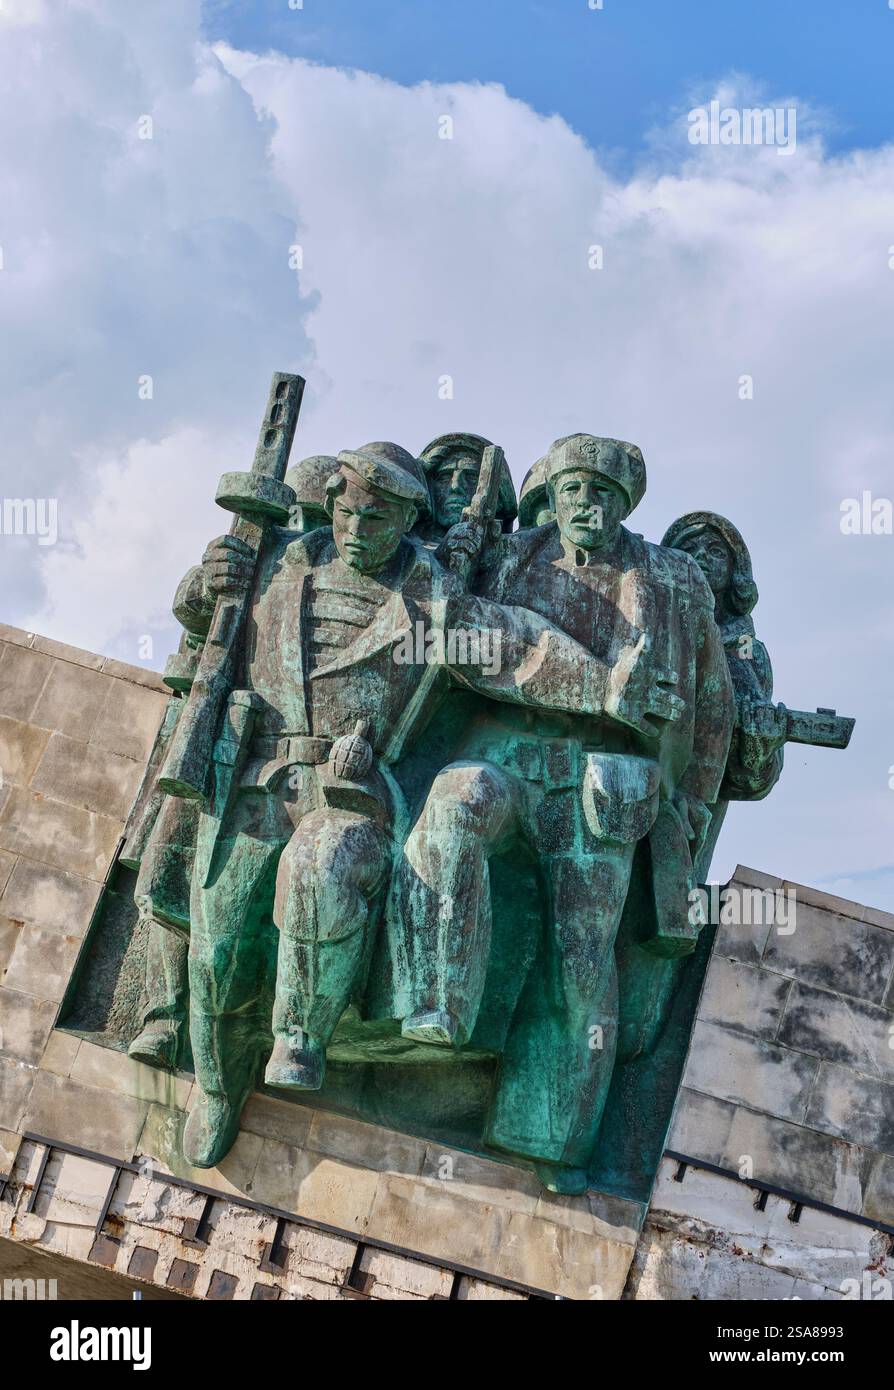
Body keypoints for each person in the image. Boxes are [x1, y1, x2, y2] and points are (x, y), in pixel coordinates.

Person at [393, 434, 734, 1191]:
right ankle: (434, 1001)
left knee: (581, 963)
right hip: (508, 754)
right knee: (456, 805)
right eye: (576, 488)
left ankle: (551, 1139)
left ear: (626, 504)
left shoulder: (673, 580)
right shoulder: (511, 556)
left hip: (602, 786)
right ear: (553, 492)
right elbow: (456, 632)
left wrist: (692, 803)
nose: (589, 505)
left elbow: (715, 707)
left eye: (605, 493)